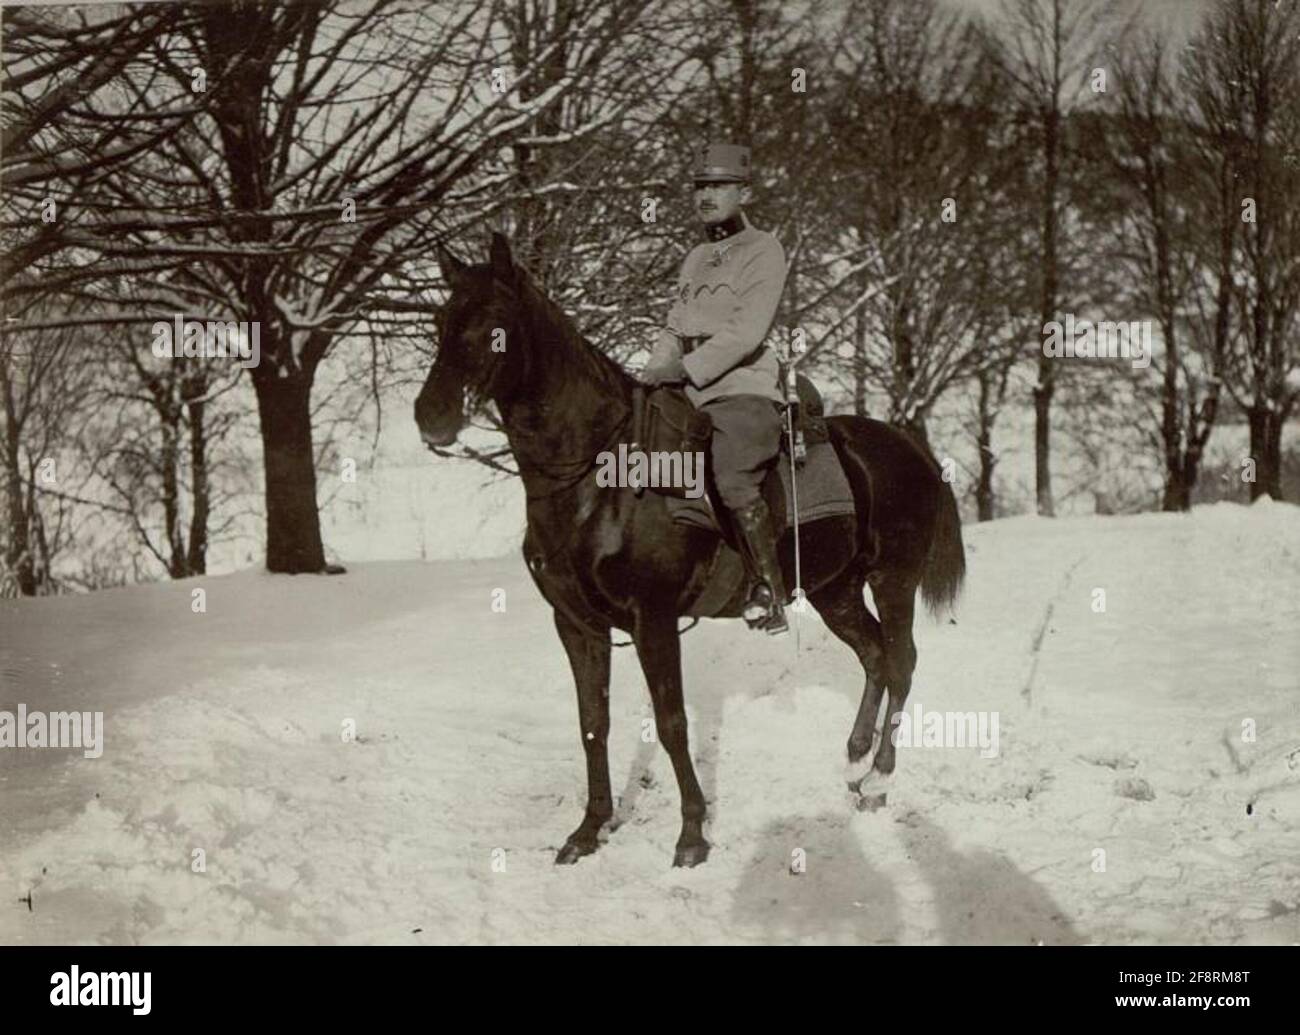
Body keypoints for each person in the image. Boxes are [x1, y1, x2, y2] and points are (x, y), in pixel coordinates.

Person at [641, 142, 790, 635]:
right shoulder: (696, 257)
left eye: (720, 186)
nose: (707, 195)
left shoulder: (763, 250)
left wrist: (683, 370)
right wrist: (651, 372)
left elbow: (746, 332)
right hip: (686, 386)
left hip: (742, 386)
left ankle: (767, 589)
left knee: (731, 475)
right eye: (702, 186)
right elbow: (673, 327)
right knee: (630, 455)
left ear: (744, 192)